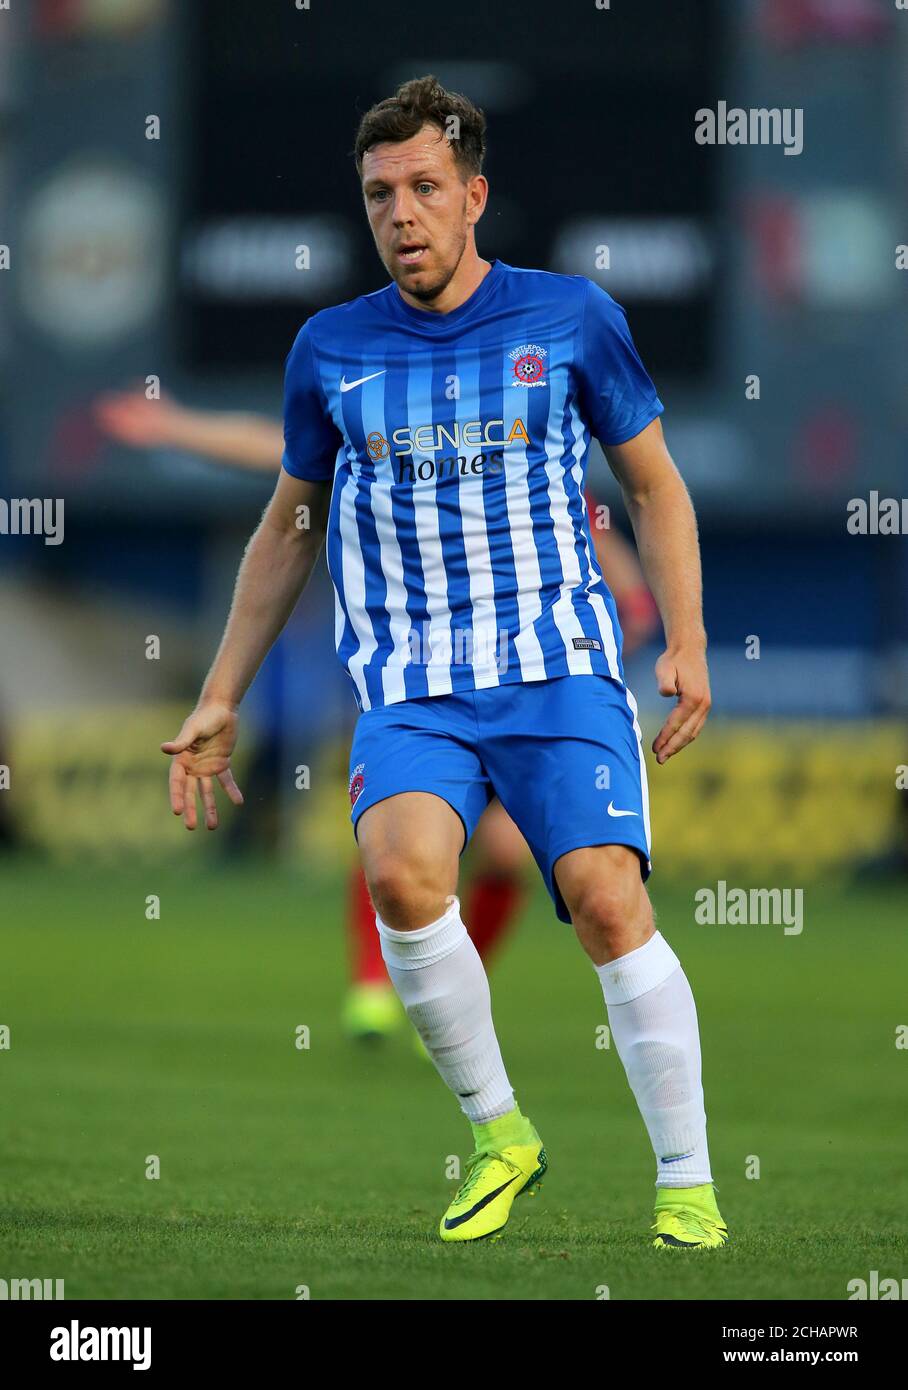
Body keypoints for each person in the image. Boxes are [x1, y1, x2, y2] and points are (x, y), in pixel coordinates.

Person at [162, 75, 726, 1250]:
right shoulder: (331, 348)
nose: (401, 213)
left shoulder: (569, 317)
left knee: (604, 899)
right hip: (413, 682)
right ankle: (499, 1130)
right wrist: (218, 693)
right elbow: (286, 525)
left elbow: (654, 480)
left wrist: (682, 637)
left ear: (473, 197)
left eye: (424, 188)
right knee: (402, 876)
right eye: (379, 194)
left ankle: (685, 1182)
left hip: (558, 665)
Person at [95, 393, 659, 1038]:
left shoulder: (547, 476)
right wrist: (177, 426)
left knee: (503, 854)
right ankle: (372, 987)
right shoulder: (392, 440)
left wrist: (628, 621)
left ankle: (458, 998)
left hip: (536, 697)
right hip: (421, 684)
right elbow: (278, 454)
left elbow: (625, 577)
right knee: (395, 845)